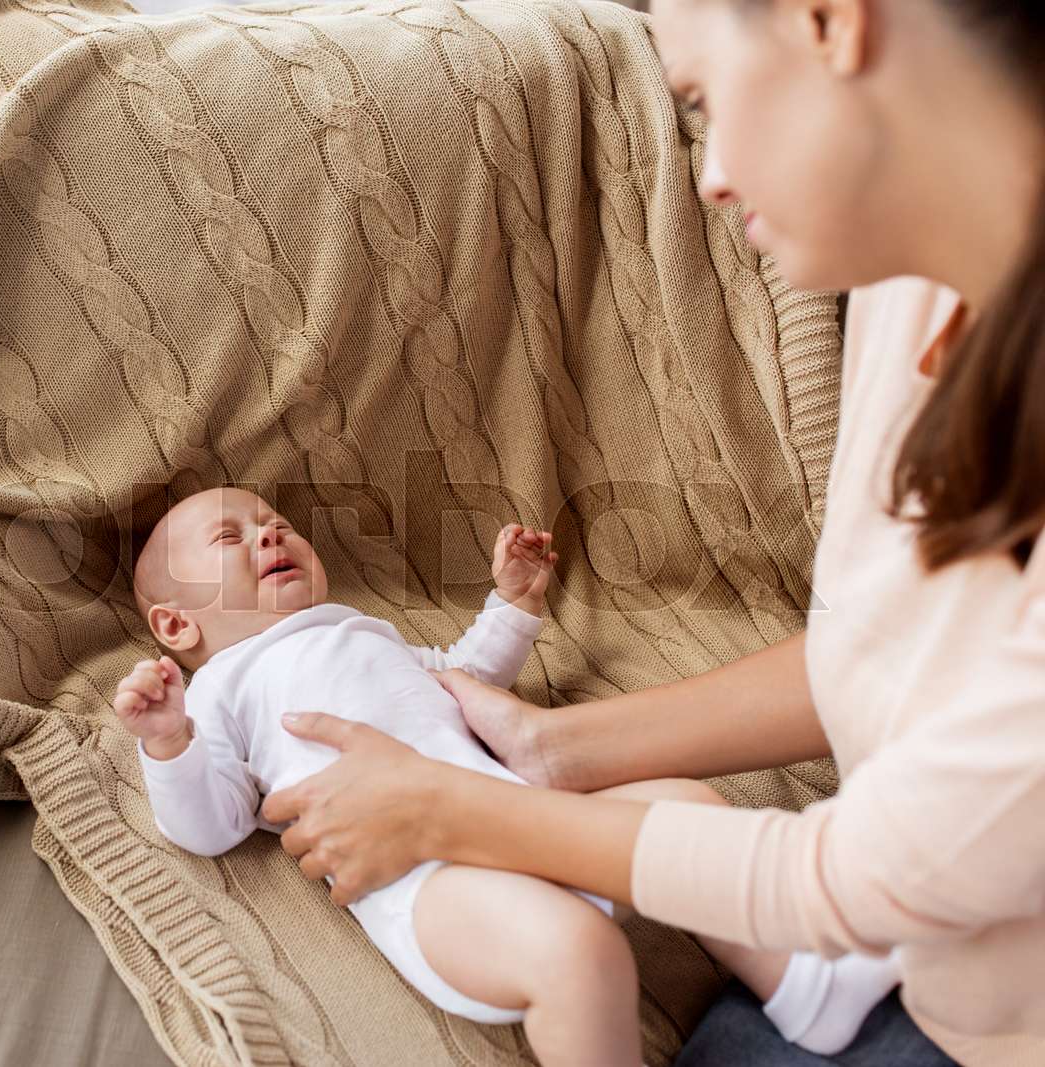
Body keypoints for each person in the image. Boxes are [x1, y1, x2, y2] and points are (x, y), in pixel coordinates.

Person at [255, 1, 1045, 1064]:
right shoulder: (919, 267)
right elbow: (916, 649)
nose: (710, 175)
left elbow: (850, 873)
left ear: (828, 23)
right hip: (900, 960)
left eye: (701, 98)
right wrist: (551, 745)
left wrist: (452, 812)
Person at [114, 487, 902, 1066]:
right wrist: (168, 741)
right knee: (579, 953)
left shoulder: (363, 631)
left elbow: (467, 682)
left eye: (274, 523)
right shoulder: (220, 689)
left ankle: (808, 985)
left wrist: (514, 603)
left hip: (520, 815)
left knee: (690, 809)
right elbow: (210, 823)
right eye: (232, 536)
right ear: (180, 625)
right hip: (430, 884)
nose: (268, 534)